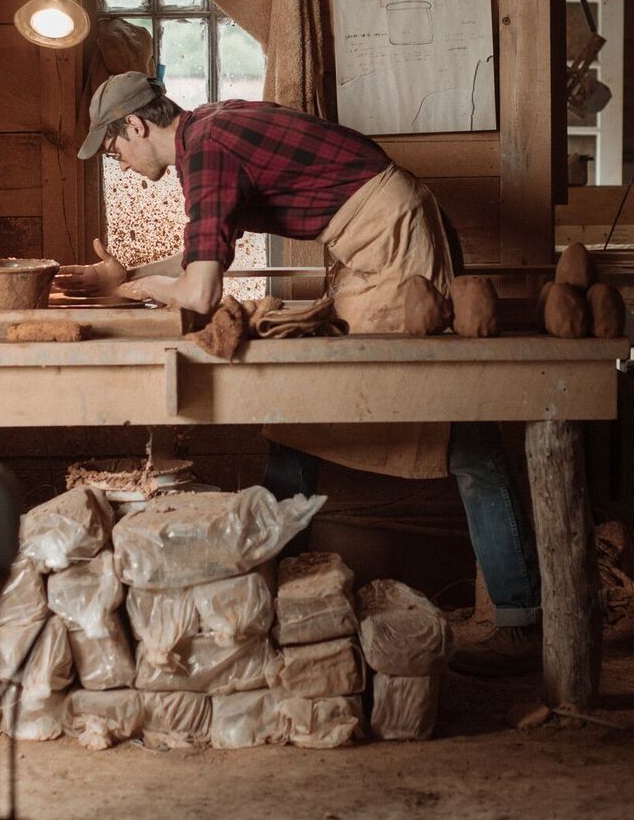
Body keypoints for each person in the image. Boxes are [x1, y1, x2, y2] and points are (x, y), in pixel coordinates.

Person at [57, 71, 543, 675]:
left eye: (114, 150)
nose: (122, 166)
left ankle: (521, 621)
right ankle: (264, 598)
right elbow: (205, 251)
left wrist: (133, 292)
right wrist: (124, 273)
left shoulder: (205, 149)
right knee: (297, 423)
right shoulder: (207, 133)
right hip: (371, 239)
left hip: (393, 240)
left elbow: (200, 292)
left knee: (456, 424)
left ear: (134, 125)